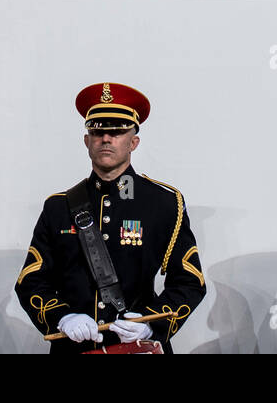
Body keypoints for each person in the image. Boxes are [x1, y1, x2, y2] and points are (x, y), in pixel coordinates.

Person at [15, 82, 205, 353]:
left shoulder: (163, 203)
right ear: (87, 141)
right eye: (97, 131)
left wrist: (153, 324)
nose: (106, 139)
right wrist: (62, 317)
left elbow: (190, 280)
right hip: (75, 347)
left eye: (116, 131)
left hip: (137, 347)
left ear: (134, 142)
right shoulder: (58, 208)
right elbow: (32, 280)